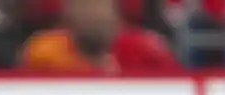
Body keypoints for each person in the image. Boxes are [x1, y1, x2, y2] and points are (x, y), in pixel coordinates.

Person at [18, 0, 179, 74]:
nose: (92, 12)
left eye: (99, 4)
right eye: (83, 4)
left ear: (115, 10)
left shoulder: (146, 50)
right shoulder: (43, 52)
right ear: (67, 12)